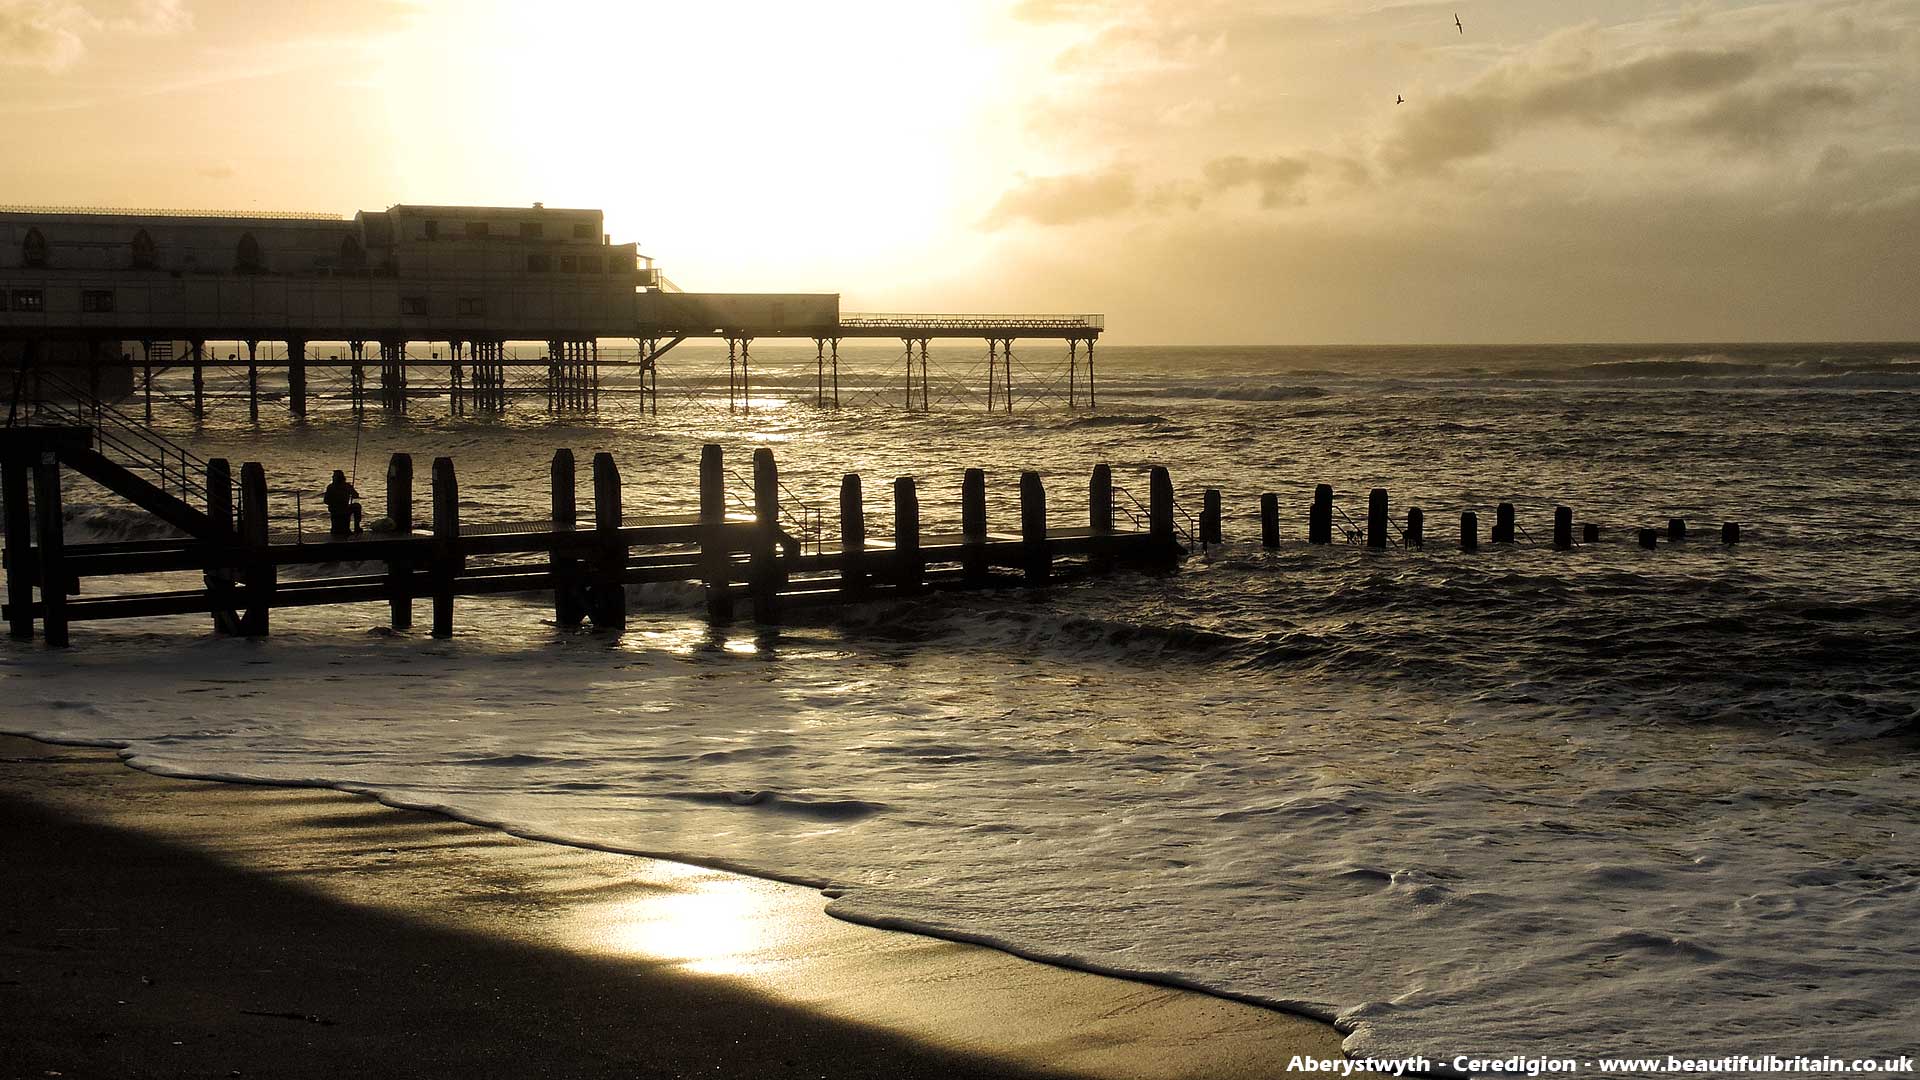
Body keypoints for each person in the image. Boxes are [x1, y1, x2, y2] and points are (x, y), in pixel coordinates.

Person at [322, 470, 361, 537]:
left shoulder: (330, 487)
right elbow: (356, 495)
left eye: (334, 476)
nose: (332, 477)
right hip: (340, 509)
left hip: (337, 509)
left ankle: (353, 528)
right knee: (357, 506)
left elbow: (326, 501)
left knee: (356, 506)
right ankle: (356, 528)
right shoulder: (346, 486)